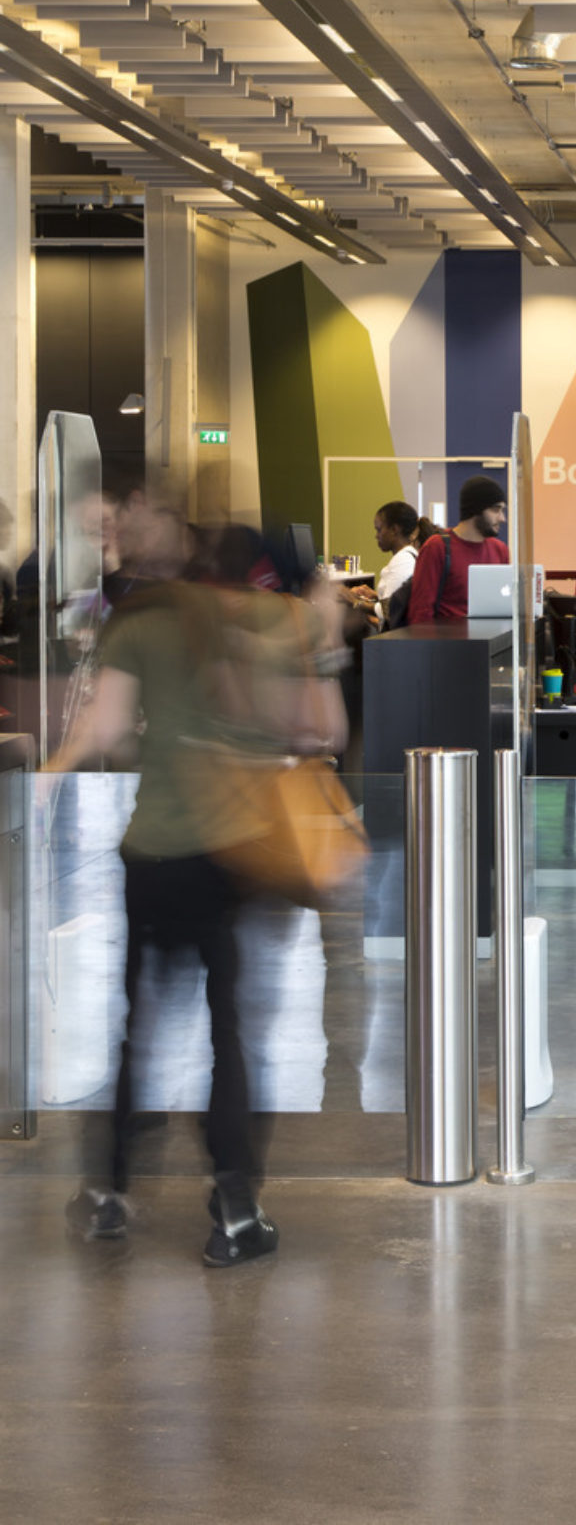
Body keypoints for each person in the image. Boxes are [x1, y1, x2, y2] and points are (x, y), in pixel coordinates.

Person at [46, 519, 348, 1268]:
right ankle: (237, 1208)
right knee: (230, 1031)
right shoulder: (287, 620)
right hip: (240, 849)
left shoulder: (144, 622)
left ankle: (110, 1197)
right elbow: (325, 732)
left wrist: (152, 740)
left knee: (138, 1022)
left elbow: (110, 730)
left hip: (157, 850)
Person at [407, 475, 509, 624]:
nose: (502, 518)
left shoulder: (500, 550)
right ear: (476, 509)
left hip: (491, 644)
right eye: (496, 510)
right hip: (449, 644)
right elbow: (420, 612)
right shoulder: (437, 547)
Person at [350, 500, 418, 628]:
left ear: (394, 530)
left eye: (379, 530)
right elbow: (397, 603)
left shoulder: (402, 561)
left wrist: (353, 601)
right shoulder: (411, 555)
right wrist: (375, 597)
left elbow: (388, 611)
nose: (377, 536)